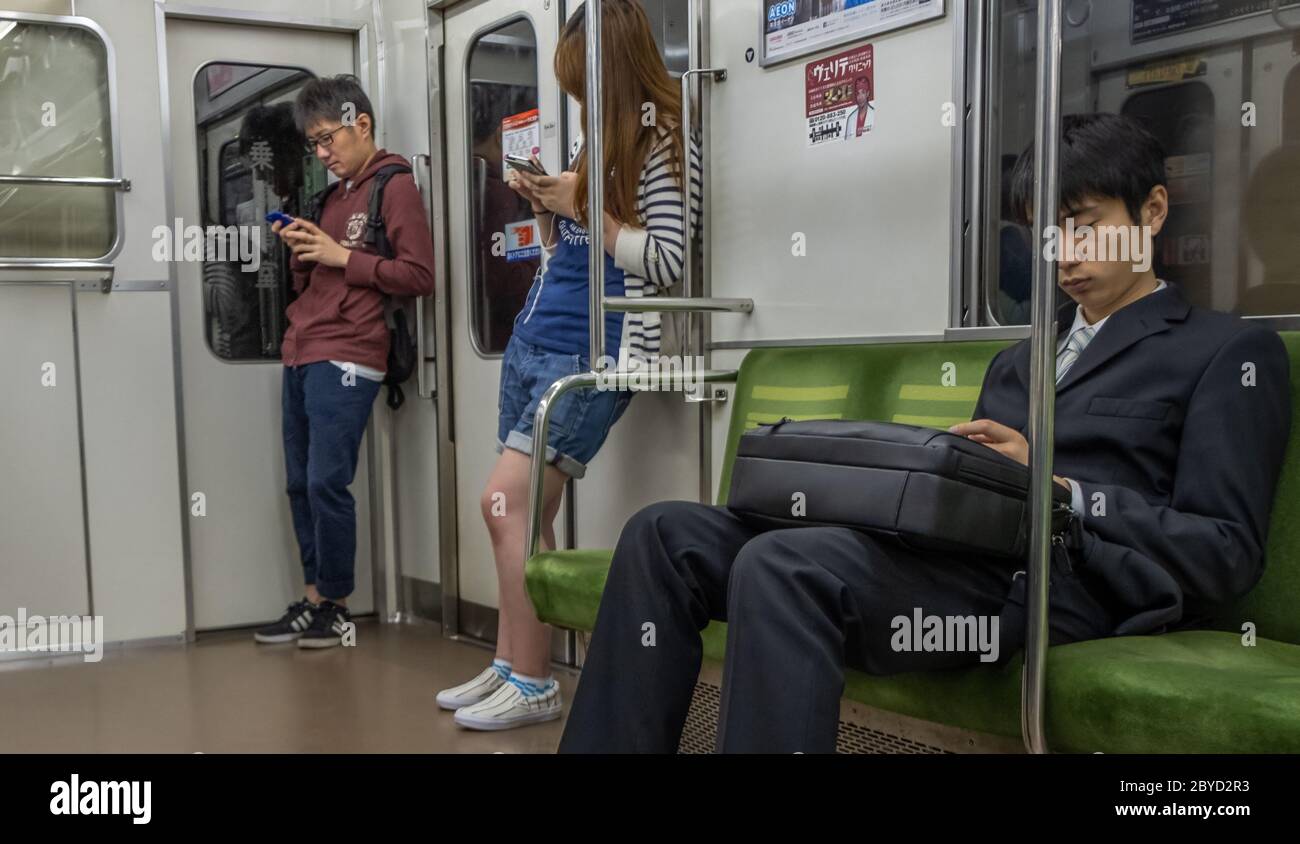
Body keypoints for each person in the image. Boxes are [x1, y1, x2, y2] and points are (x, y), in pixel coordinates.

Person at [557, 112, 1291, 752]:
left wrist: (1063, 490)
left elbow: (1223, 553)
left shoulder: (1225, 354)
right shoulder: (1019, 360)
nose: (1065, 254)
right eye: (1048, 233)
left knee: (785, 567)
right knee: (663, 535)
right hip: (961, 559)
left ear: (1153, 212)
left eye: (1086, 224)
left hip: (1068, 587)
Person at [434, 0, 702, 730]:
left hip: (594, 356)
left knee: (504, 504)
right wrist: (554, 213)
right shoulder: (598, 143)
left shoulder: (665, 139)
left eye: (584, 84)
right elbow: (573, 261)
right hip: (535, 337)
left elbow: (669, 260)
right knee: (522, 516)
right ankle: (510, 662)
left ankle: (534, 679)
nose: (579, 99)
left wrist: (589, 211)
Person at [253, 75, 436, 648]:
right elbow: (320, 277)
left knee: (328, 481)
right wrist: (307, 250)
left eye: (328, 139)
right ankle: (313, 597)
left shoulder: (394, 186)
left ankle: (336, 603)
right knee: (300, 484)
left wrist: (342, 256)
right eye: (314, 145)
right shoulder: (330, 199)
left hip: (350, 353)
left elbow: (419, 275)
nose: (323, 153)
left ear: (362, 124)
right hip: (303, 348)